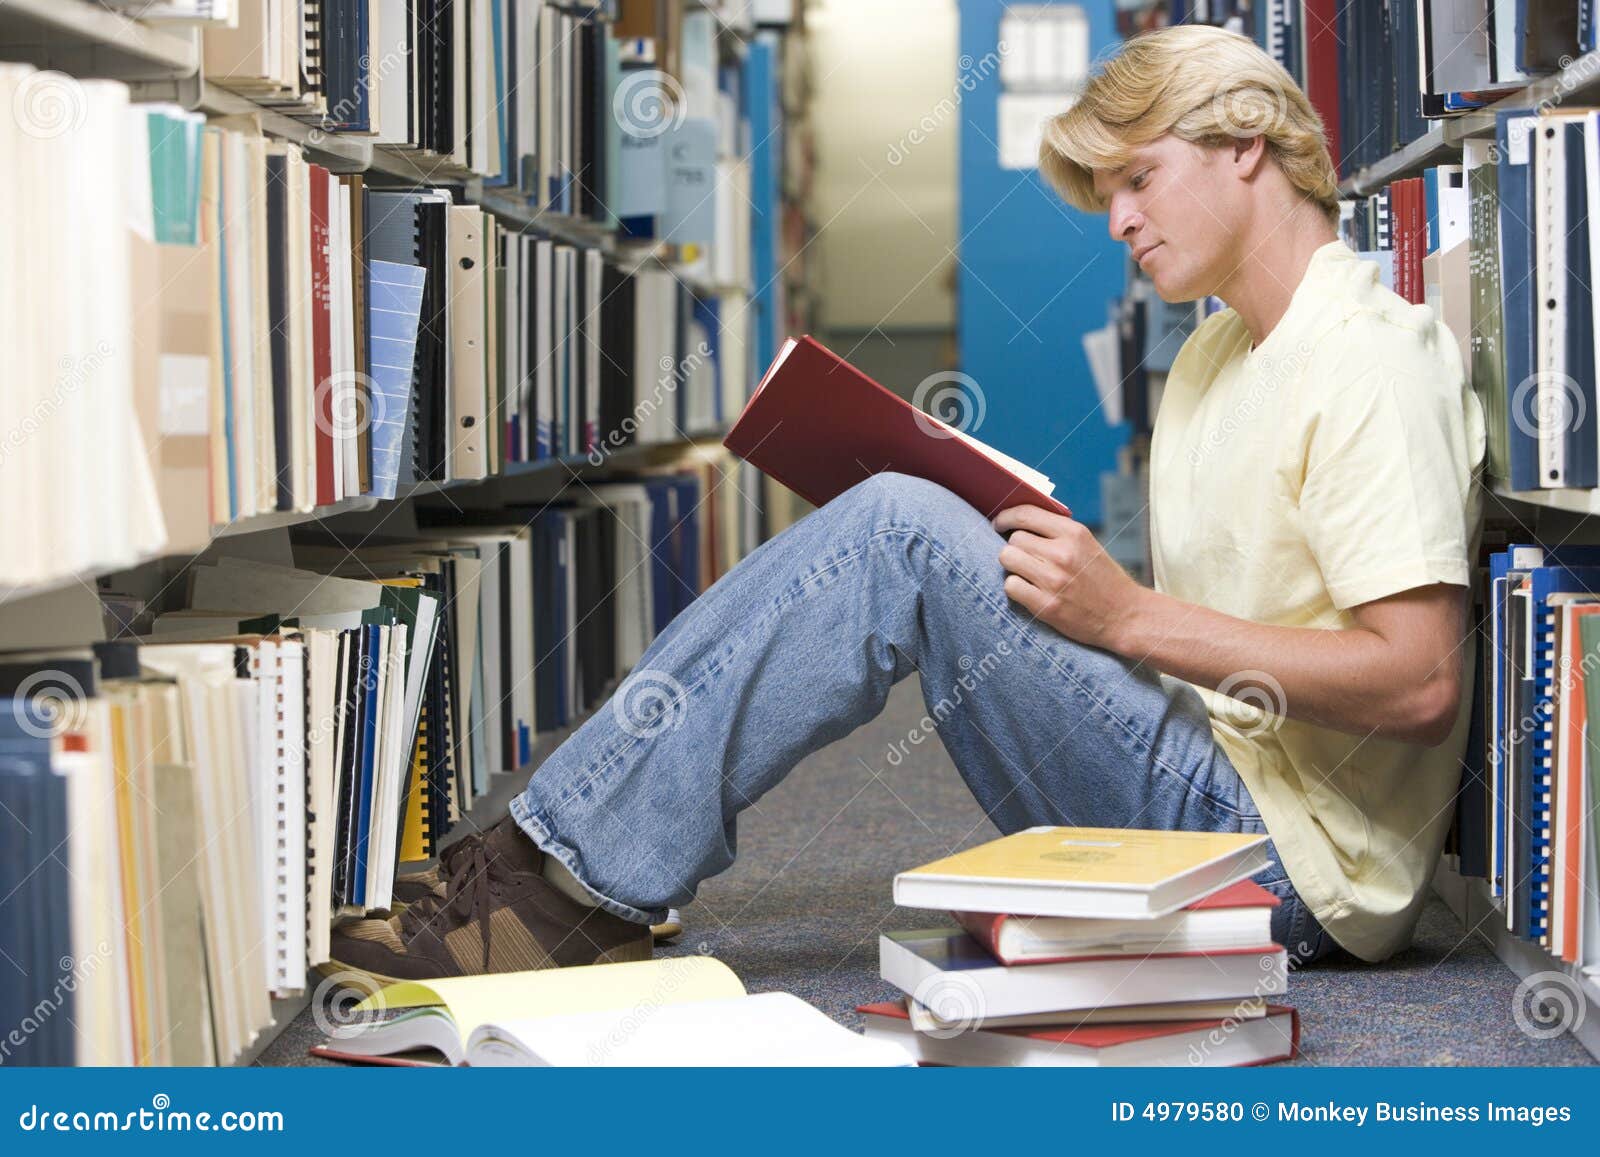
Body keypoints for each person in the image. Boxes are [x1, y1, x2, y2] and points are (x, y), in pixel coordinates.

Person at [323, 24, 1485, 984]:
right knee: (923, 510)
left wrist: (1126, 620)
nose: (1120, 220)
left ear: (1245, 147)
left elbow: (1422, 679)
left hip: (1293, 875)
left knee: (901, 525)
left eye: (1139, 178)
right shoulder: (1211, 357)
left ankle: (564, 876)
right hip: (1212, 777)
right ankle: (561, 863)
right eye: (1107, 195)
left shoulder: (1366, 357)